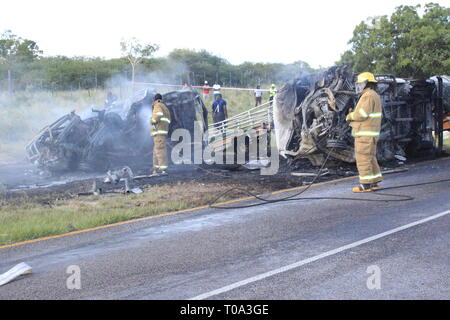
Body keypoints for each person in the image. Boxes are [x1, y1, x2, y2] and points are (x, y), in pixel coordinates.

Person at [345, 72, 383, 193]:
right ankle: (374, 182)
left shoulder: (367, 96)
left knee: (363, 159)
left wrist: (350, 115)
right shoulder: (374, 95)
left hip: (364, 134)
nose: (358, 86)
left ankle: (366, 184)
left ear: (367, 83)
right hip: (370, 134)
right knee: (370, 158)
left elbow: (362, 114)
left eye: (360, 83)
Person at [150, 93, 171, 175]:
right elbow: (168, 120)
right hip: (161, 132)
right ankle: (155, 169)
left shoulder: (157, 105)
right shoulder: (164, 107)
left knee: (160, 151)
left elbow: (158, 115)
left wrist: (152, 120)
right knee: (156, 151)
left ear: (155, 100)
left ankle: (163, 170)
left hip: (158, 132)